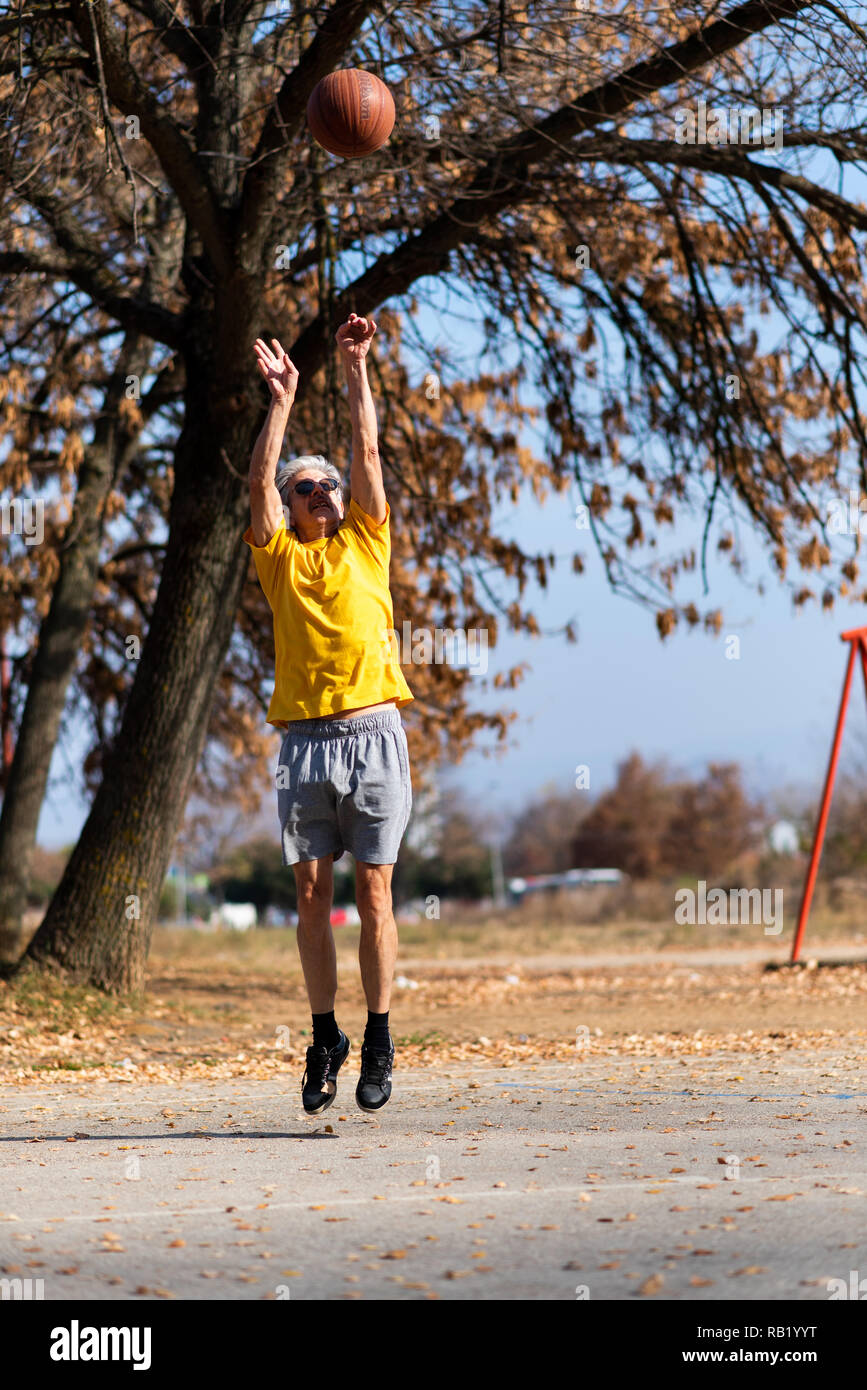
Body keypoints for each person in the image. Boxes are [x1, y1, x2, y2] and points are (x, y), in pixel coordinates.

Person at [244, 313, 413, 1115]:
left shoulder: (367, 541)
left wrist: (354, 368)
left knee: (374, 894)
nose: (321, 491)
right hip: (304, 744)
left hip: (374, 732)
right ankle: (325, 1036)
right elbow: (256, 490)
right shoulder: (279, 558)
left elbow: (368, 450)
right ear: (290, 505)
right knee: (313, 897)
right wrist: (281, 403)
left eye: (327, 484)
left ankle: (378, 1036)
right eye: (304, 486)